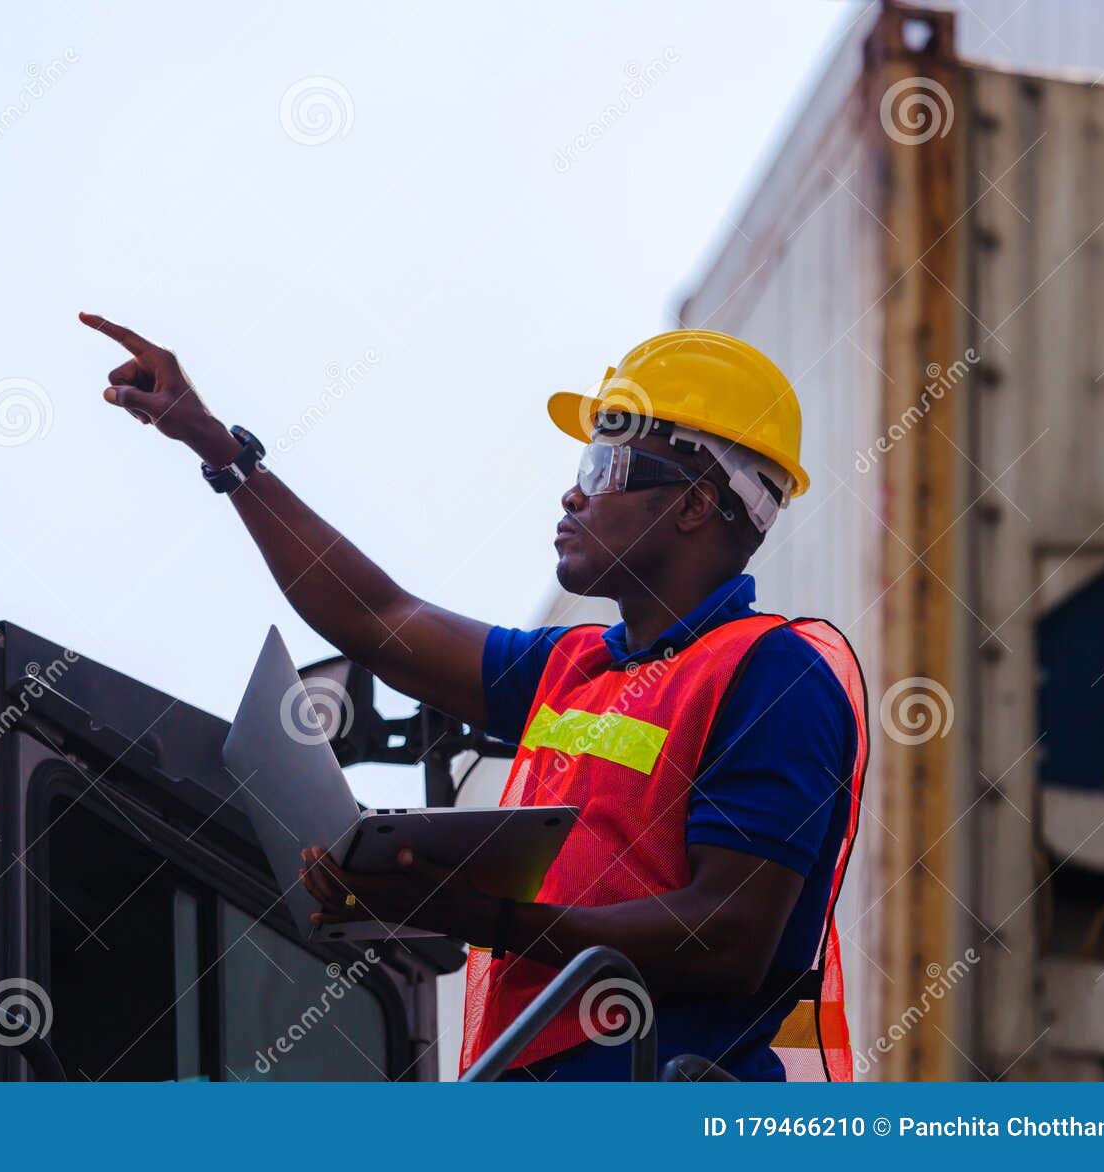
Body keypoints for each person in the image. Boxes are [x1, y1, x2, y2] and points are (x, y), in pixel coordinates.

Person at [80, 314, 867, 1081]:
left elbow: (728, 937)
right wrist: (218, 449)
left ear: (697, 503)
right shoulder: (576, 668)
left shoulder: (774, 674)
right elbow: (380, 618)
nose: (571, 494)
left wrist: (478, 915)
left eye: (603, 468)